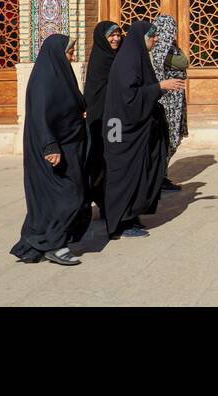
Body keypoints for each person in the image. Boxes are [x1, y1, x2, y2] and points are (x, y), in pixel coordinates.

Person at [11, 34, 91, 265]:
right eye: (69, 52)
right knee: (67, 197)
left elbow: (72, 102)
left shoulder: (60, 76)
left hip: (70, 145)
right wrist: (50, 146)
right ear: (56, 54)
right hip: (53, 150)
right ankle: (55, 245)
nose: (72, 56)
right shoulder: (44, 81)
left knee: (60, 197)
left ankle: (37, 244)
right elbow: (40, 116)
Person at [103, 21, 184, 238]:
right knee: (124, 175)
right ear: (141, 38)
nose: (155, 40)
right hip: (123, 129)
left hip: (135, 127)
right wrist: (160, 87)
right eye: (152, 36)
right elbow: (128, 97)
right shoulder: (128, 62)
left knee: (140, 172)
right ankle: (119, 223)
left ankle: (130, 216)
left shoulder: (137, 58)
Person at [82, 20, 121, 217]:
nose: (115, 38)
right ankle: (105, 203)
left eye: (118, 34)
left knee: (111, 160)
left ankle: (109, 203)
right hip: (102, 120)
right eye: (111, 35)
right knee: (103, 161)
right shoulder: (102, 59)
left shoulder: (114, 56)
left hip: (113, 118)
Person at [148, 14, 189, 189]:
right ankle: (158, 177)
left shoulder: (168, 48)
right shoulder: (160, 50)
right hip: (167, 100)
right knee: (168, 137)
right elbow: (183, 61)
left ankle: (161, 175)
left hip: (175, 97)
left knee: (173, 136)